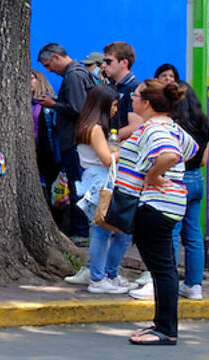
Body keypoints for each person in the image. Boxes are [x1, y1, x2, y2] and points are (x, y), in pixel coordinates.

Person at [118, 78, 197, 346]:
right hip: (168, 203)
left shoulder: (153, 128)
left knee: (162, 268)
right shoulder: (170, 126)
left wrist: (153, 174)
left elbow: (171, 154)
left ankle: (166, 329)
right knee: (162, 267)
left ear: (147, 103)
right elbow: (191, 148)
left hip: (156, 204)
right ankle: (162, 324)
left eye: (137, 96)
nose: (132, 99)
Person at [132, 67, 207, 301]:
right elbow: (201, 157)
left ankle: (164, 282)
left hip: (172, 183)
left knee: (170, 236)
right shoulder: (202, 122)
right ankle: (194, 285)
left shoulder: (165, 126)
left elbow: (171, 155)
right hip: (196, 179)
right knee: (194, 233)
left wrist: (153, 174)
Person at [68, 85, 133, 292]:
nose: (115, 110)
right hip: (100, 181)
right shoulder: (95, 129)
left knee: (107, 231)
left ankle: (103, 274)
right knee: (104, 232)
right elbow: (107, 159)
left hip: (96, 180)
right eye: (114, 105)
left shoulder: (90, 126)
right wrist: (127, 148)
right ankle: (98, 277)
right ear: (103, 105)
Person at [38, 42, 92, 235]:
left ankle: (81, 230)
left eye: (47, 65)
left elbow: (77, 108)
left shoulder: (74, 76)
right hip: (76, 140)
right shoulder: (76, 74)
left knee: (77, 185)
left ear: (56, 57)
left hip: (75, 140)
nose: (48, 70)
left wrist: (54, 104)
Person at [101, 41, 141, 132]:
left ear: (124, 63)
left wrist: (109, 140)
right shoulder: (111, 86)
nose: (103, 65)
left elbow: (136, 126)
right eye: (104, 61)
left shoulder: (135, 88)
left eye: (108, 61)